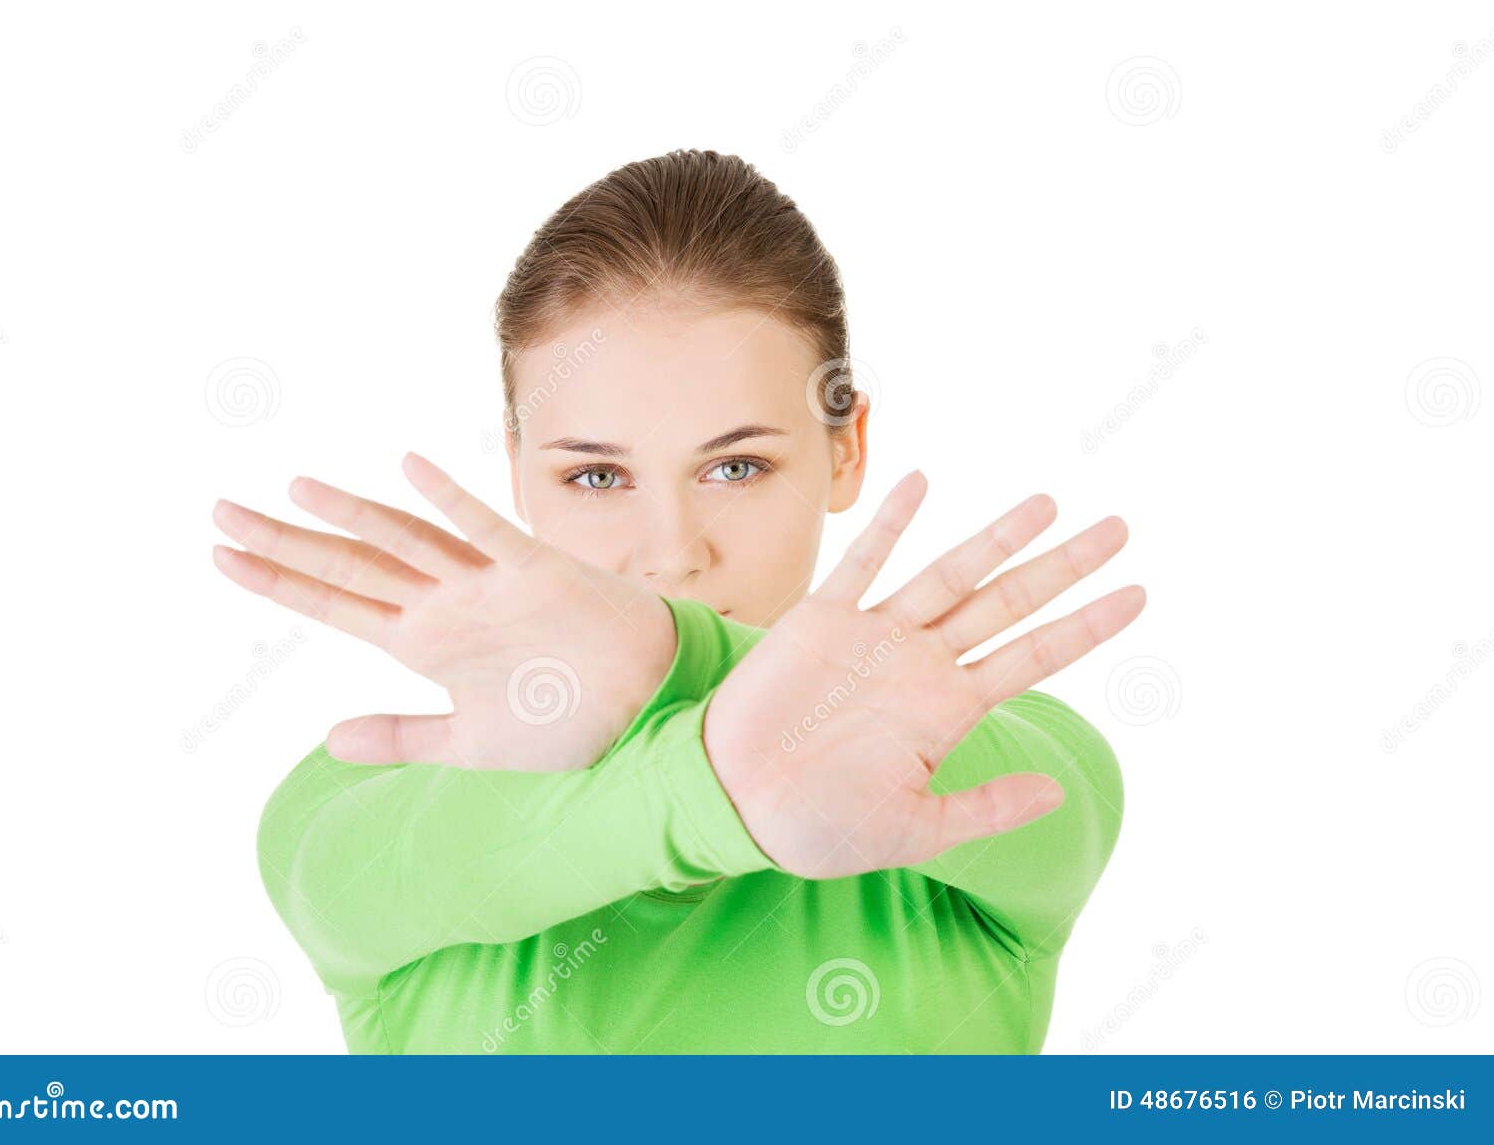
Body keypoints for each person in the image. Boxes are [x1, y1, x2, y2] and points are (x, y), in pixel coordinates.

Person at [212, 149, 1146, 1053]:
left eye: (736, 466)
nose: (670, 554)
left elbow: (1048, 820)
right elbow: (372, 882)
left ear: (846, 449)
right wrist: (695, 716)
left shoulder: (999, 761)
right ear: (516, 467)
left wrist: (671, 662)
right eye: (596, 476)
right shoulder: (358, 801)